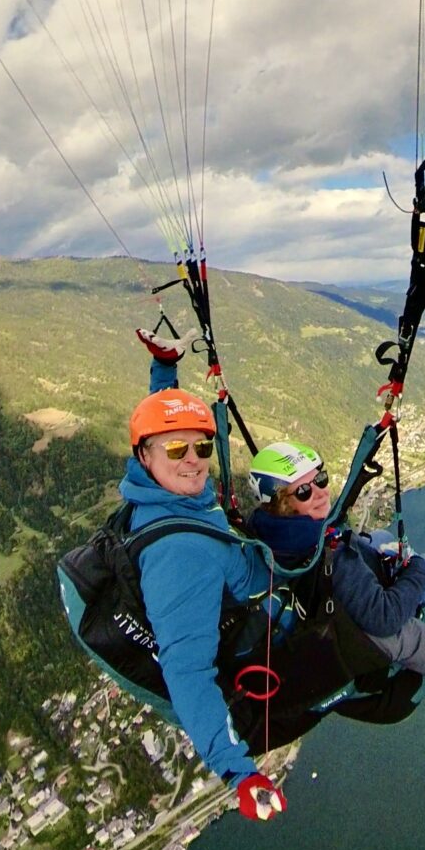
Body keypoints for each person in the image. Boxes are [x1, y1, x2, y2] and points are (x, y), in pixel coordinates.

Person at [119, 339, 288, 822]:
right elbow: (187, 672)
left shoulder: (156, 489)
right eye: (177, 448)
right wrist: (240, 772)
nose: (193, 458)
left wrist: (165, 369)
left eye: (202, 445)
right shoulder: (179, 557)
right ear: (146, 455)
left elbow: (160, 422)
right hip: (268, 610)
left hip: (251, 569)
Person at [241, 438, 425, 701]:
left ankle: (389, 554)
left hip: (328, 593)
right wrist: (415, 569)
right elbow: (384, 618)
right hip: (368, 607)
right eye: (304, 491)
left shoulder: (267, 528)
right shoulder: (330, 551)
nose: (320, 492)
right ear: (280, 503)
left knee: (382, 537)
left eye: (320, 479)